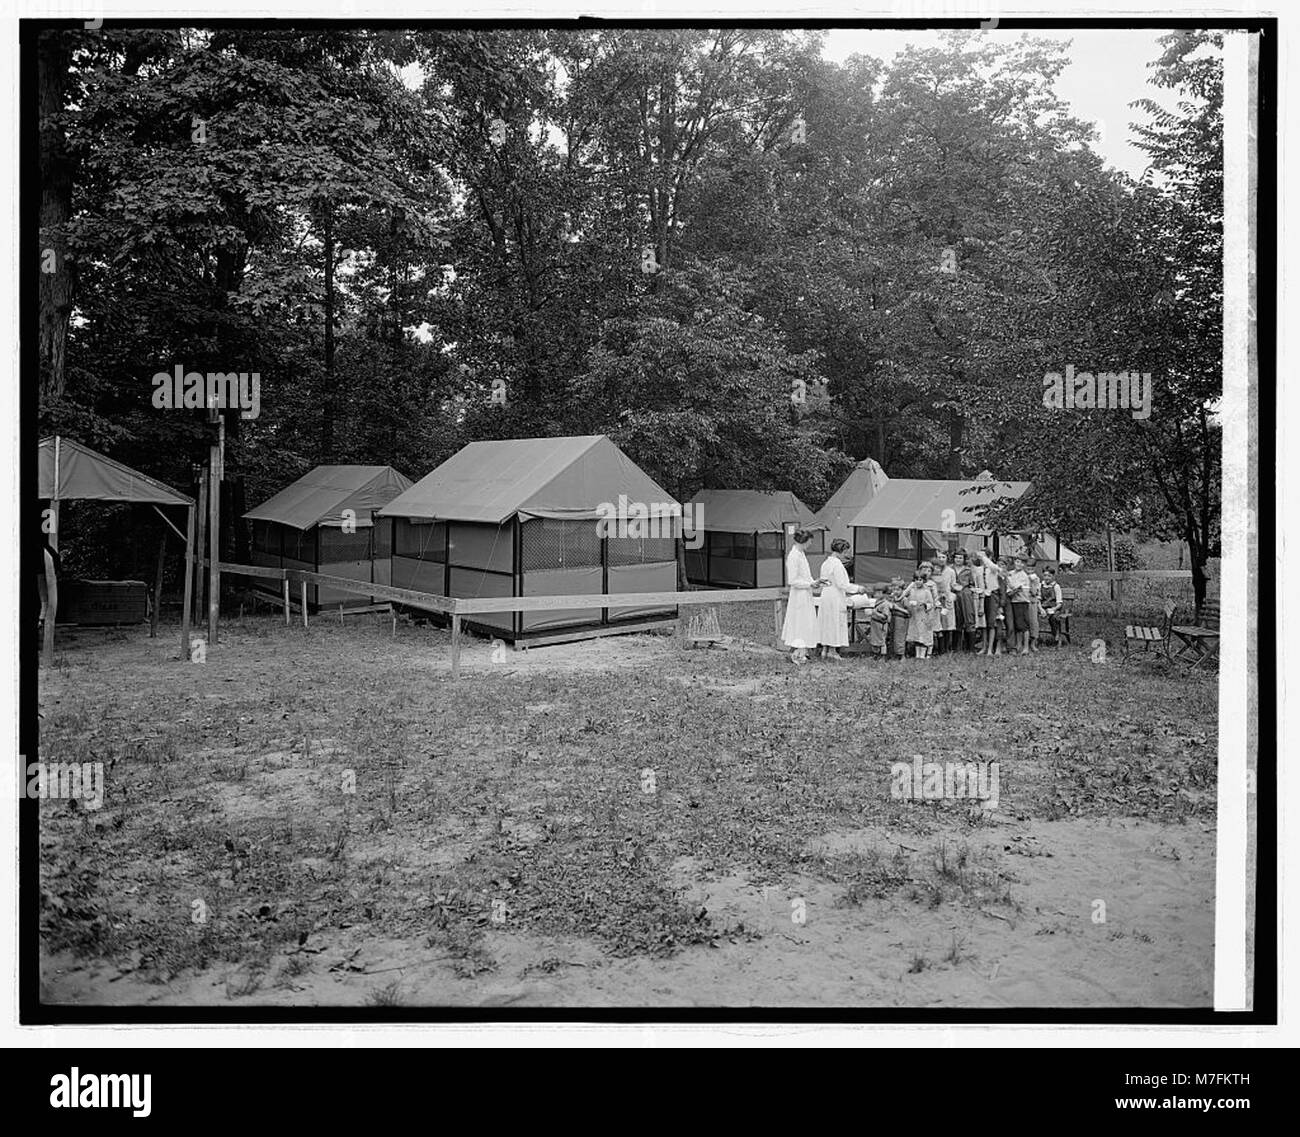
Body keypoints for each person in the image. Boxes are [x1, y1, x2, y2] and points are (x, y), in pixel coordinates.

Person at [816, 538, 862, 660]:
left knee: (826, 621)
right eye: (847, 551)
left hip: (826, 594)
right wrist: (858, 589)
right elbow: (843, 584)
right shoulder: (837, 565)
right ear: (842, 551)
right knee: (834, 621)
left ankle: (825, 650)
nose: (847, 555)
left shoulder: (826, 563)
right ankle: (832, 650)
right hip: (834, 595)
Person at [781, 529, 820, 665]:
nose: (810, 543)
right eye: (809, 540)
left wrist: (814, 582)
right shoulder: (793, 556)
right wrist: (809, 583)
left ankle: (802, 651)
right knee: (800, 622)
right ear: (804, 540)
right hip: (798, 595)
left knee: (806, 622)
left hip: (805, 592)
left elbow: (806, 575)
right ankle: (797, 653)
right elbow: (792, 580)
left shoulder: (801, 554)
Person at [902, 567, 936, 659]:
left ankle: (923, 654)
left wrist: (925, 605)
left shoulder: (926, 591)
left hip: (923, 616)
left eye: (920, 580)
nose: (918, 582)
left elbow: (931, 603)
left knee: (923, 635)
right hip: (914, 616)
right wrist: (908, 602)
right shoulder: (912, 590)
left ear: (924, 581)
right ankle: (917, 654)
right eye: (916, 580)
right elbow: (907, 598)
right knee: (916, 635)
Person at [1006, 555, 1032, 656]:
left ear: (1024, 565)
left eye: (1022, 563)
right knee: (1017, 625)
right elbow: (1008, 586)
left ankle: (1026, 647)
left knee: (1024, 625)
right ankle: (1018, 645)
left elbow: (1015, 588)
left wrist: (1011, 590)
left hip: (1022, 601)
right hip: (1013, 602)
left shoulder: (1024, 576)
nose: (1019, 564)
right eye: (1017, 562)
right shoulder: (1011, 573)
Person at [953, 549, 977, 651]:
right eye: (956, 557)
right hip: (954, 594)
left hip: (965, 594)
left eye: (960, 558)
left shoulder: (968, 570)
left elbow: (972, 584)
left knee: (968, 618)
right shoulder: (950, 569)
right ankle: (955, 647)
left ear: (964, 559)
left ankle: (970, 648)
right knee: (956, 619)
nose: (958, 560)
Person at [933, 551, 957, 654]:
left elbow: (953, 585)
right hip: (936, 599)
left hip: (947, 599)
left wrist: (952, 595)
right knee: (938, 624)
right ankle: (938, 648)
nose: (941, 559)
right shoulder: (934, 570)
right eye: (939, 557)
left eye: (943, 557)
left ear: (947, 558)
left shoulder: (951, 571)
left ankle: (946, 648)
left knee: (948, 623)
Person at [868, 586, 893, 658]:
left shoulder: (885, 604)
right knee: (875, 640)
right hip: (875, 624)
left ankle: (883, 655)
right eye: (876, 593)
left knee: (881, 641)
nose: (876, 594)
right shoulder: (877, 601)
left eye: (879, 593)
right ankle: (876, 654)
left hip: (880, 625)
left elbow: (885, 616)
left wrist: (875, 613)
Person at [1041, 566, 1063, 644]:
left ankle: (1056, 633)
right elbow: (1039, 598)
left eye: (1049, 576)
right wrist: (1041, 608)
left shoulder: (1056, 586)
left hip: (1055, 607)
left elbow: (1059, 603)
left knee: (1054, 618)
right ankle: (1033, 636)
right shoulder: (1041, 585)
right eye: (1045, 575)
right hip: (1043, 607)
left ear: (1053, 576)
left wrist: (1053, 609)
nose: (1047, 578)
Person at [1026, 562, 1042, 653]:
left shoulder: (1036, 579)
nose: (1030, 570)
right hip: (1023, 601)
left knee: (1033, 623)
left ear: (1034, 569)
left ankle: (1033, 643)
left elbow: (1034, 592)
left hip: (1032, 602)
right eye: (1028, 568)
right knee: (1024, 622)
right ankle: (1024, 643)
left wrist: (1032, 582)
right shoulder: (1023, 577)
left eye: (1031, 568)